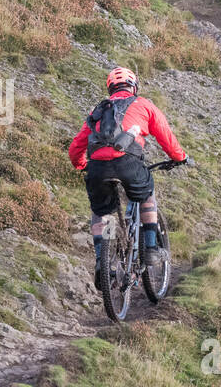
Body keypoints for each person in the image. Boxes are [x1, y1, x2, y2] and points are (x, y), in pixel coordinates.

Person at [69, 67, 187, 289]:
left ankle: (102, 263)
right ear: (134, 87)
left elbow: (76, 146)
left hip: (98, 169)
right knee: (146, 195)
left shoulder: (98, 110)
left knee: (101, 213)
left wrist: (82, 165)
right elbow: (165, 135)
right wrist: (179, 157)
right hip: (128, 163)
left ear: (110, 88)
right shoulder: (143, 105)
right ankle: (151, 249)